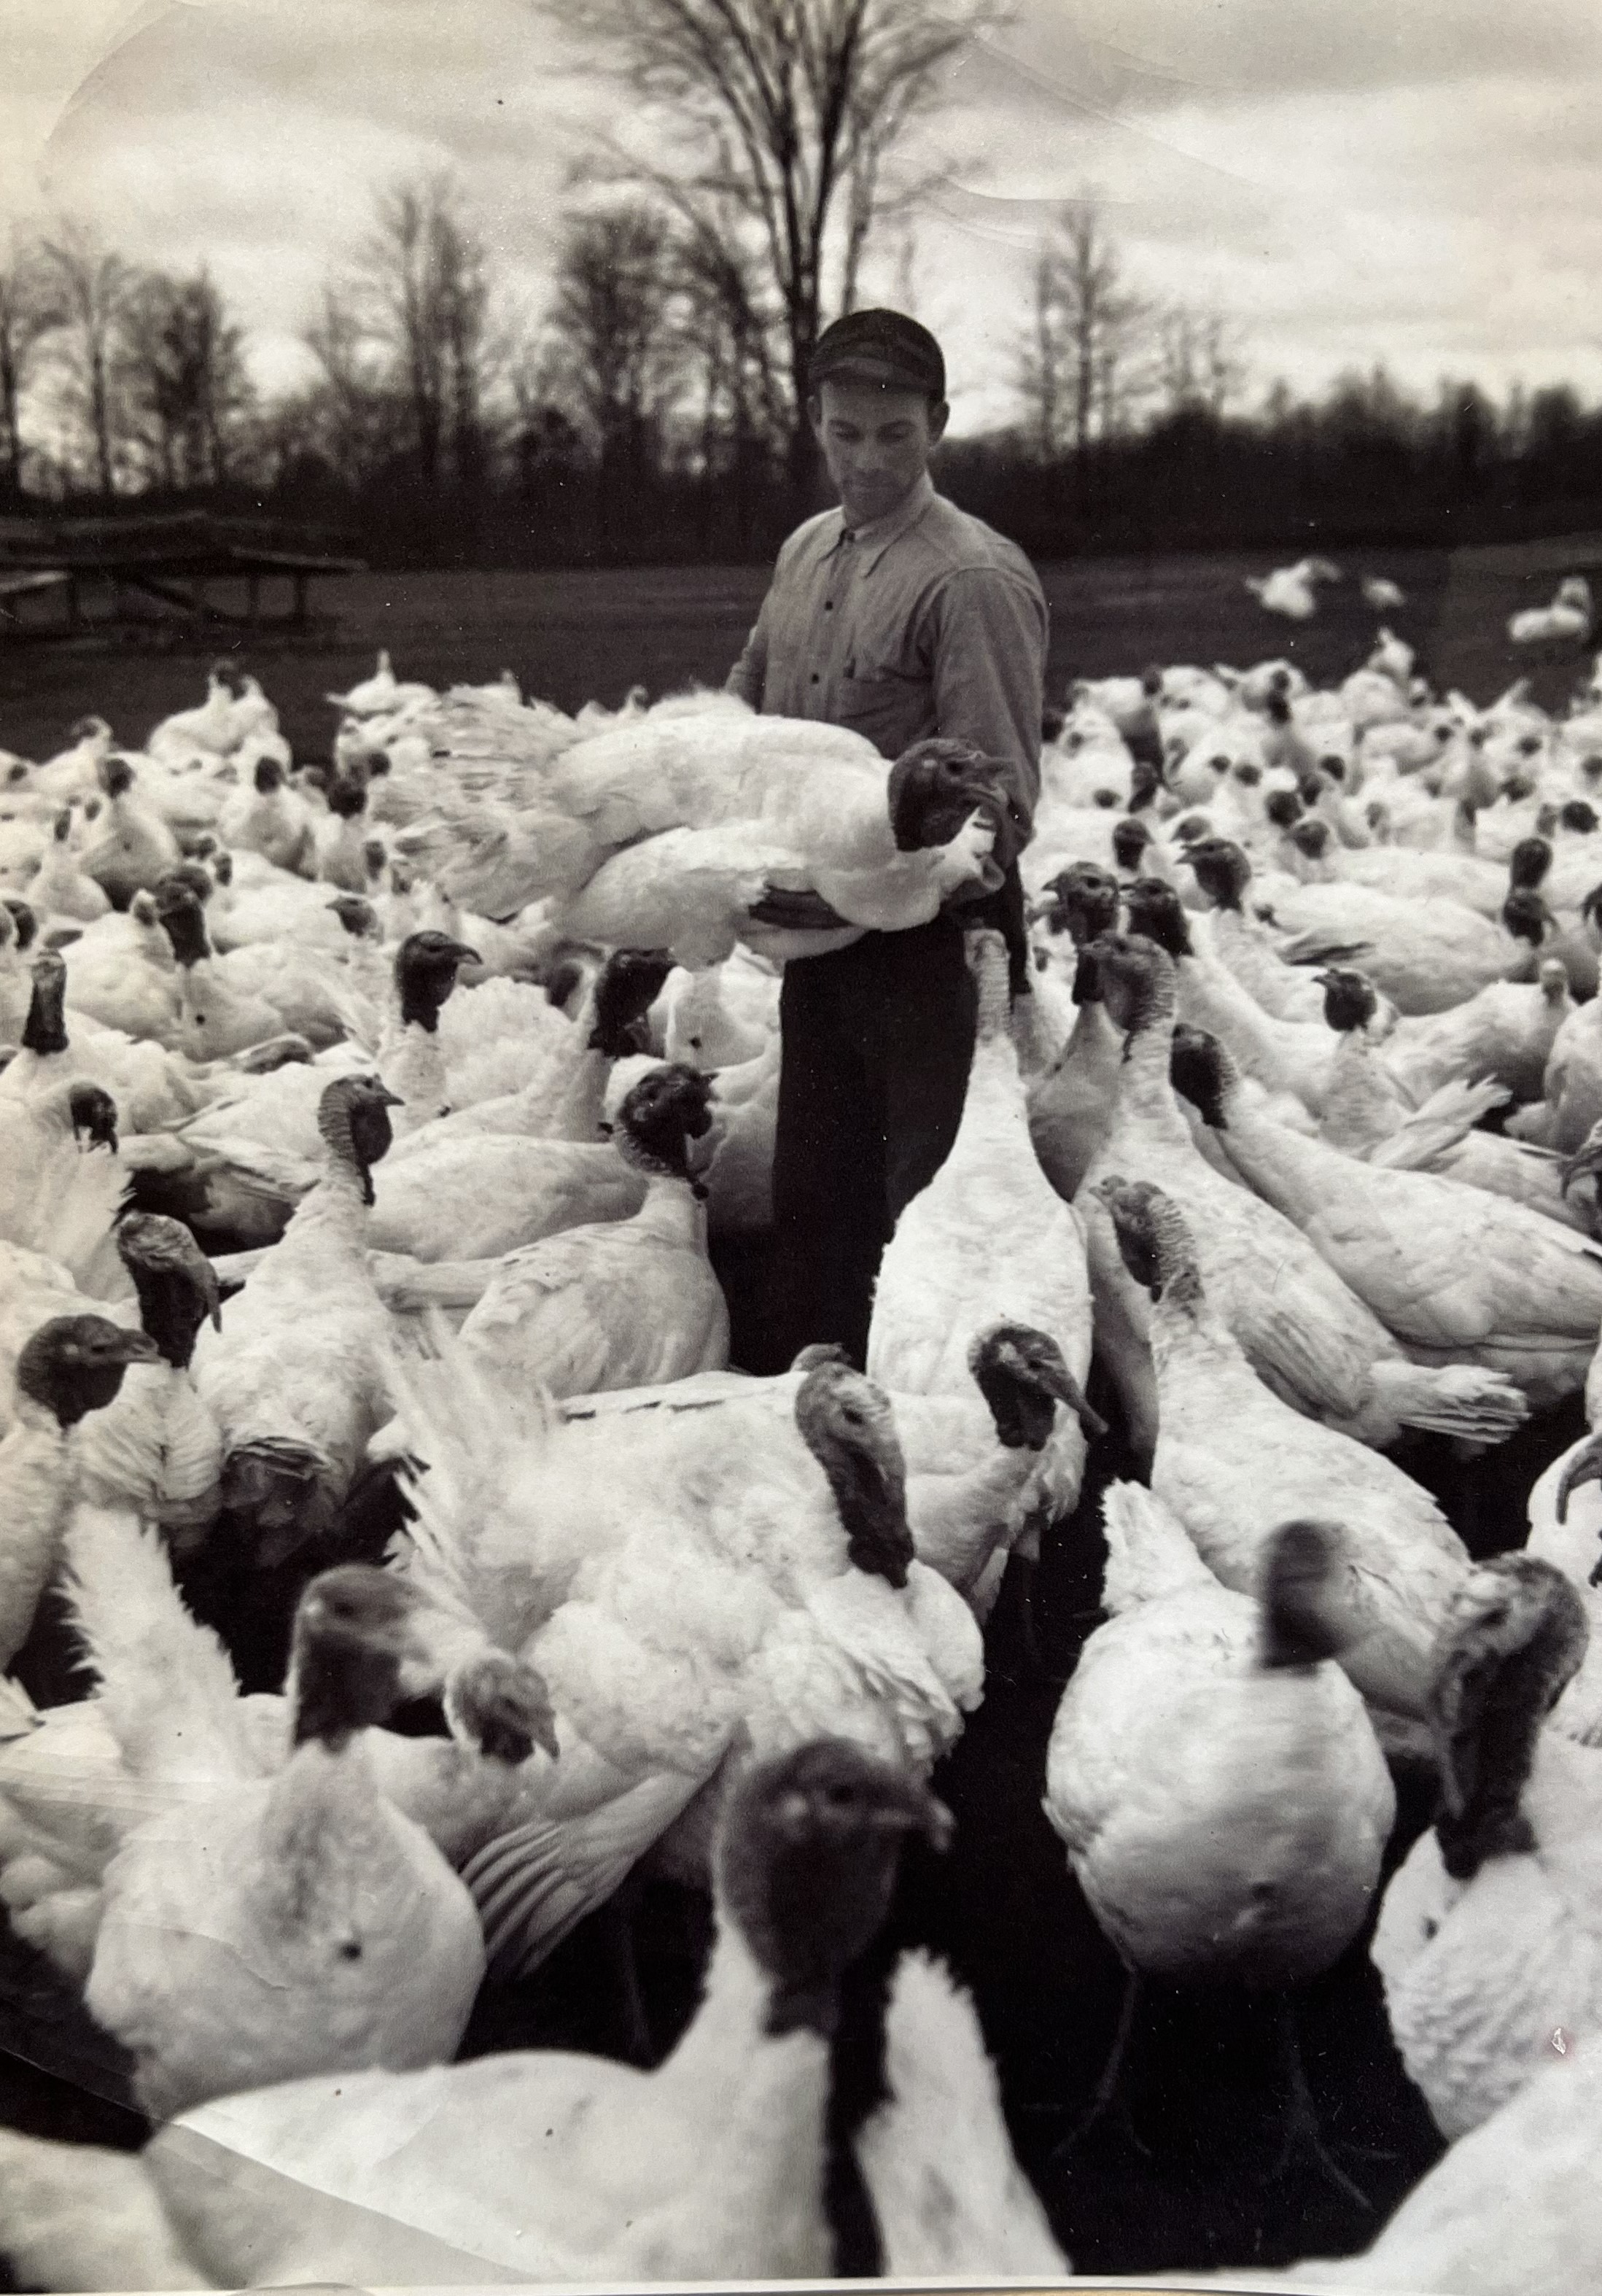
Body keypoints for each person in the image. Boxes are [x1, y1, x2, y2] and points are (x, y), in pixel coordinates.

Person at [726, 308, 1048, 1370]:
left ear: (938, 426)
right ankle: (821, 1452)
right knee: (815, 1206)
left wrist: (862, 894)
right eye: (843, 433)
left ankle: (959, 1475)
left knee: (934, 1219)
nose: (865, 461)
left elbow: (995, 810)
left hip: (936, 954)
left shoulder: (970, 579)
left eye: (893, 436)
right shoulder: (804, 552)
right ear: (813, 423)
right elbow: (748, 710)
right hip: (822, 948)